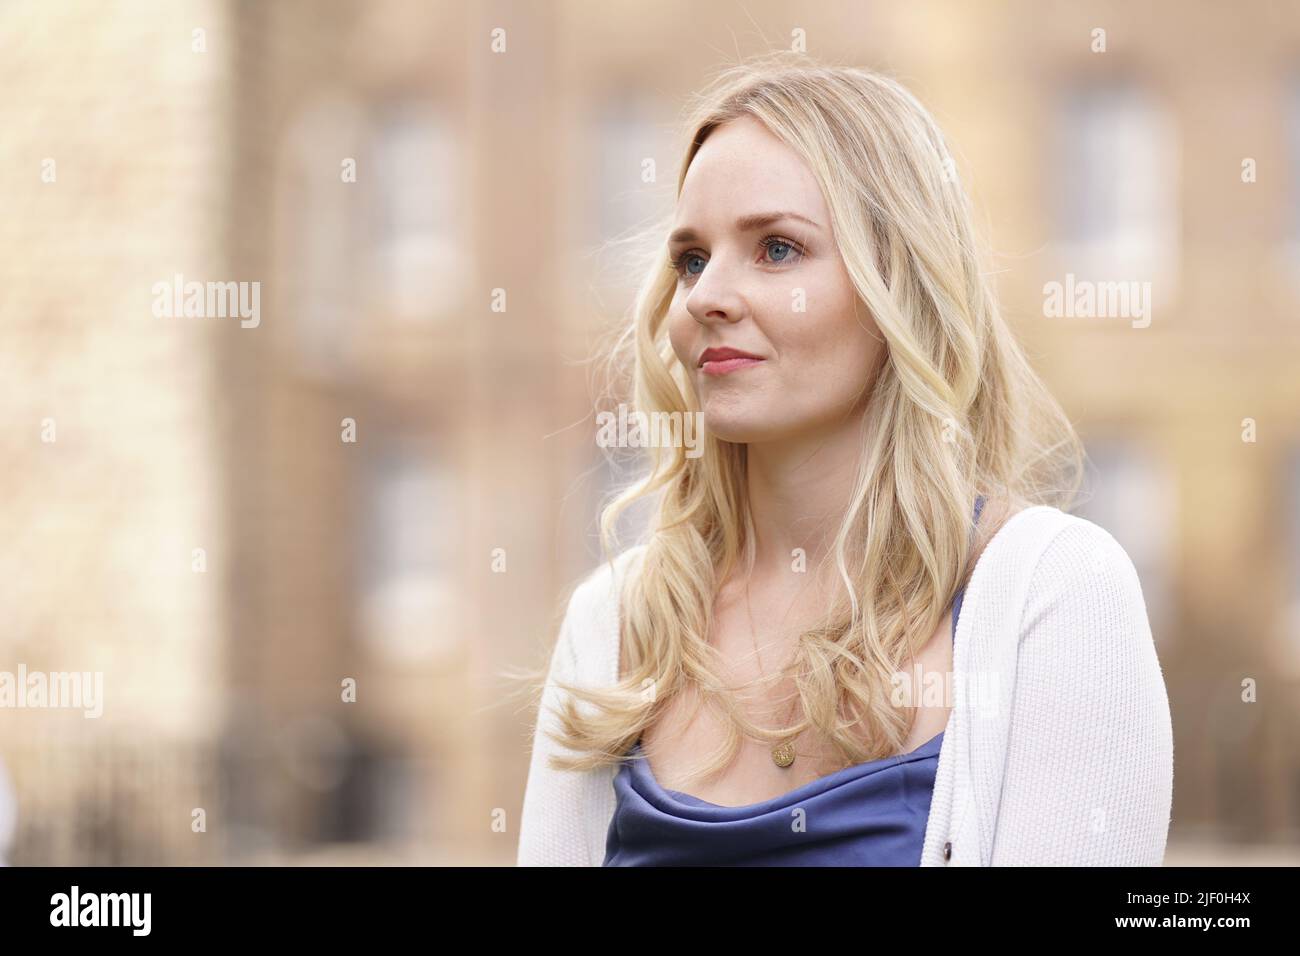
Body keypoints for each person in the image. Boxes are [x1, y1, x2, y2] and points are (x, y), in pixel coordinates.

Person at [517, 52, 1173, 866]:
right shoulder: (615, 627)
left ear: (898, 284)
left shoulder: (1052, 597)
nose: (706, 297)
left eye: (778, 250)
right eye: (692, 258)